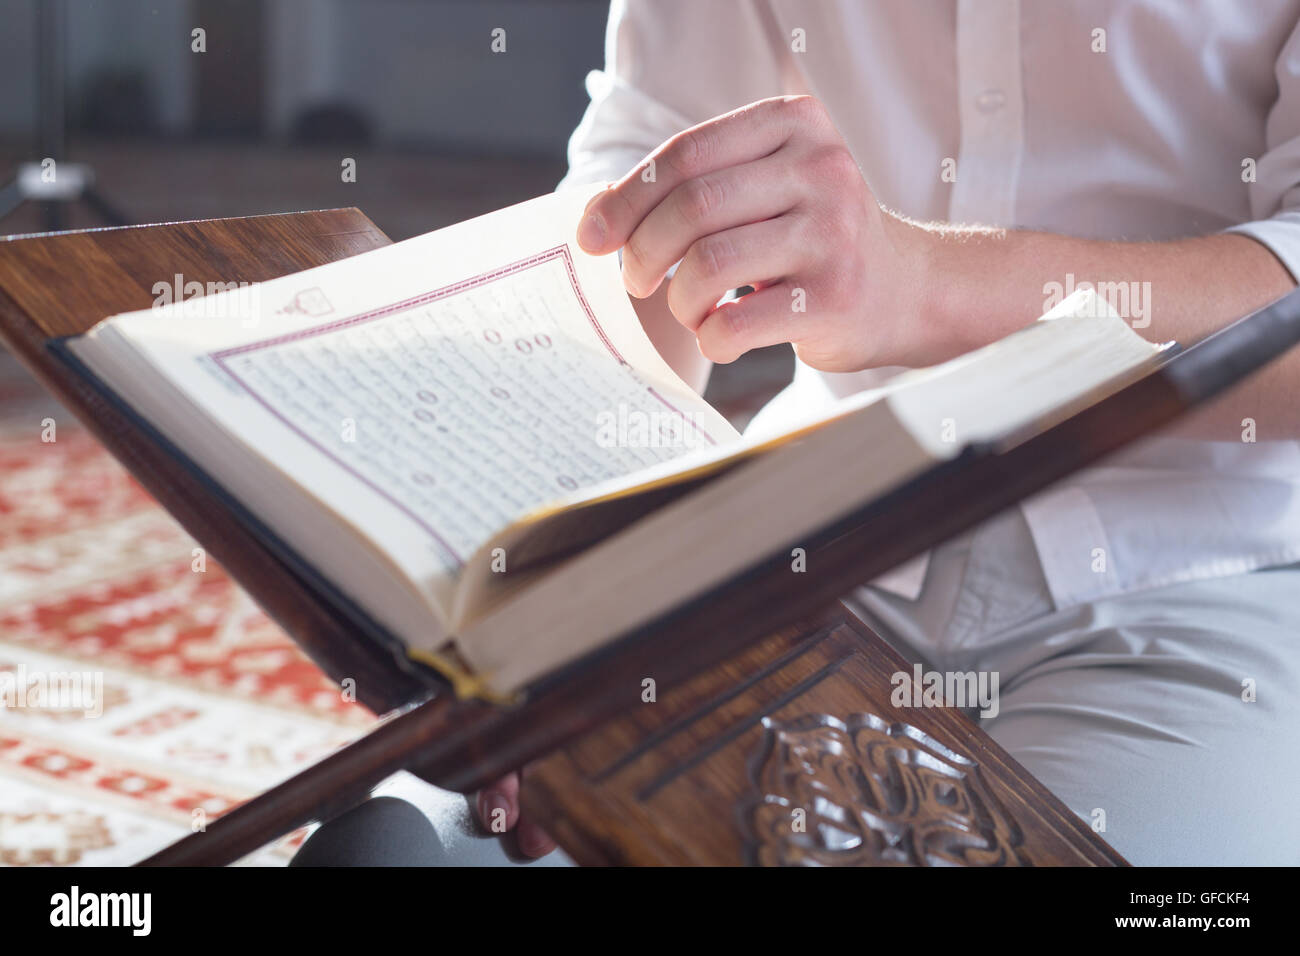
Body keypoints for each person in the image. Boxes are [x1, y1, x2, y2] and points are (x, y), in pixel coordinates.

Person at [474, 0, 1300, 866]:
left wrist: (921, 286)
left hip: (1199, 578)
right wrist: (567, 589)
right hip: (806, 546)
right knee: (409, 849)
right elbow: (648, 185)